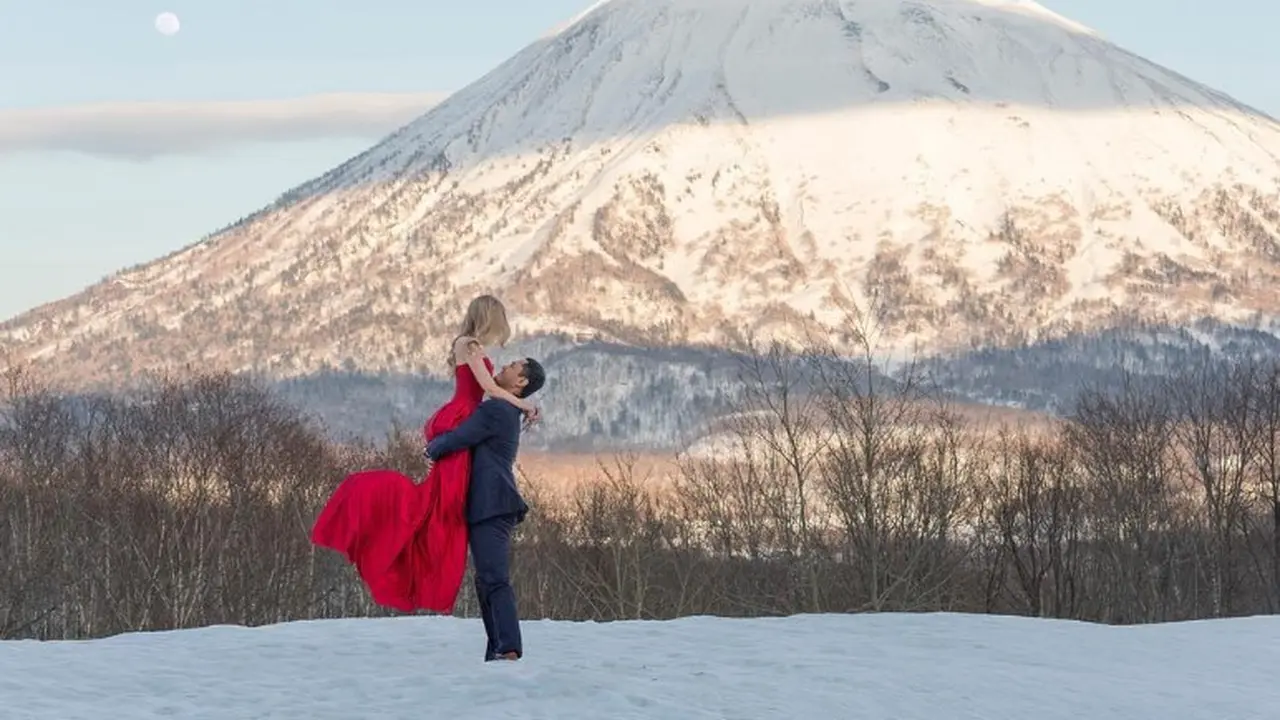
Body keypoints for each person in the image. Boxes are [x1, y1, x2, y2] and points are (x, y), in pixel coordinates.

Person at [310, 295, 539, 614]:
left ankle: (420, 568)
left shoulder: (471, 346)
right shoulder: (469, 344)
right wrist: (525, 404)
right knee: (438, 506)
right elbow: (489, 389)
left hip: (464, 419)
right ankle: (388, 539)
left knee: (441, 505)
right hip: (461, 416)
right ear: (489, 317)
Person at [426, 356, 545, 662]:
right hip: (487, 504)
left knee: (494, 577)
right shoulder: (505, 409)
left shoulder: (497, 410)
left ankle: (508, 648)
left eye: (512, 367)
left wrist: (432, 448)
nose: (503, 367)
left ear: (520, 383)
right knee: (485, 579)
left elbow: (462, 437)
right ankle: (498, 647)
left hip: (493, 503)